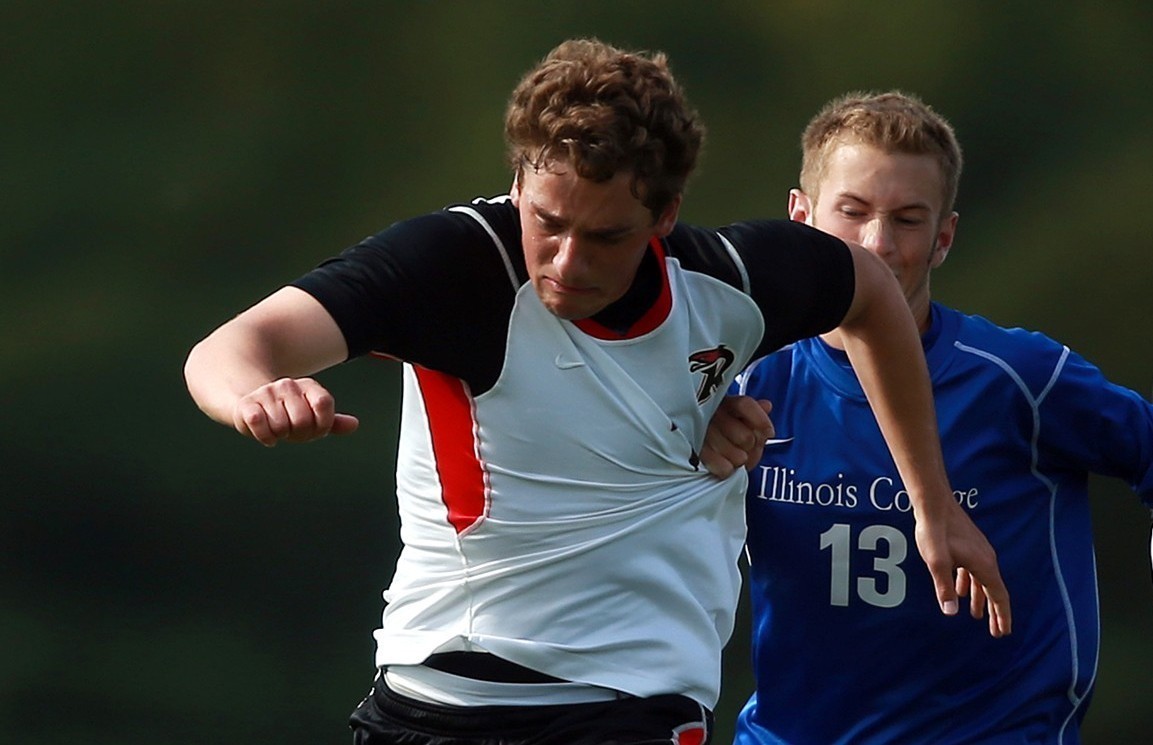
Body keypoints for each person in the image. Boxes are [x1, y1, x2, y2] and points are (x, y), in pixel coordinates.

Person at [183, 41, 1009, 745]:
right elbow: (229, 348)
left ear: (664, 214)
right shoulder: (456, 264)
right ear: (519, 181)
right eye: (547, 219)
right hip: (434, 702)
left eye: (605, 234)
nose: (567, 261)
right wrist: (254, 396)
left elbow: (866, 289)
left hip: (632, 706)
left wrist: (929, 504)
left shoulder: (729, 284)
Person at [706, 91, 1153, 744]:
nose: (876, 244)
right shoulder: (741, 379)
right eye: (851, 212)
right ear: (798, 219)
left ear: (943, 237)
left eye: (907, 220)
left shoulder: (1017, 378)